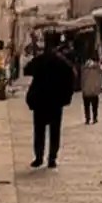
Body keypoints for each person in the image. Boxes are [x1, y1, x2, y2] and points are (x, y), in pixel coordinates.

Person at [23, 32, 74, 168]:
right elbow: (71, 78)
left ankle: (39, 157)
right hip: (56, 101)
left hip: (41, 100)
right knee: (55, 131)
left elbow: (26, 70)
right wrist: (66, 97)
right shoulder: (63, 62)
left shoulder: (41, 60)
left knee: (39, 130)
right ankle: (52, 158)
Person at [79, 59, 102, 124]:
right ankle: (94, 118)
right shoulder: (97, 70)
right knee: (94, 107)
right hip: (94, 92)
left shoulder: (84, 71)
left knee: (87, 106)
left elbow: (82, 81)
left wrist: (83, 88)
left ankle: (88, 119)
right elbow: (100, 80)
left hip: (86, 92)